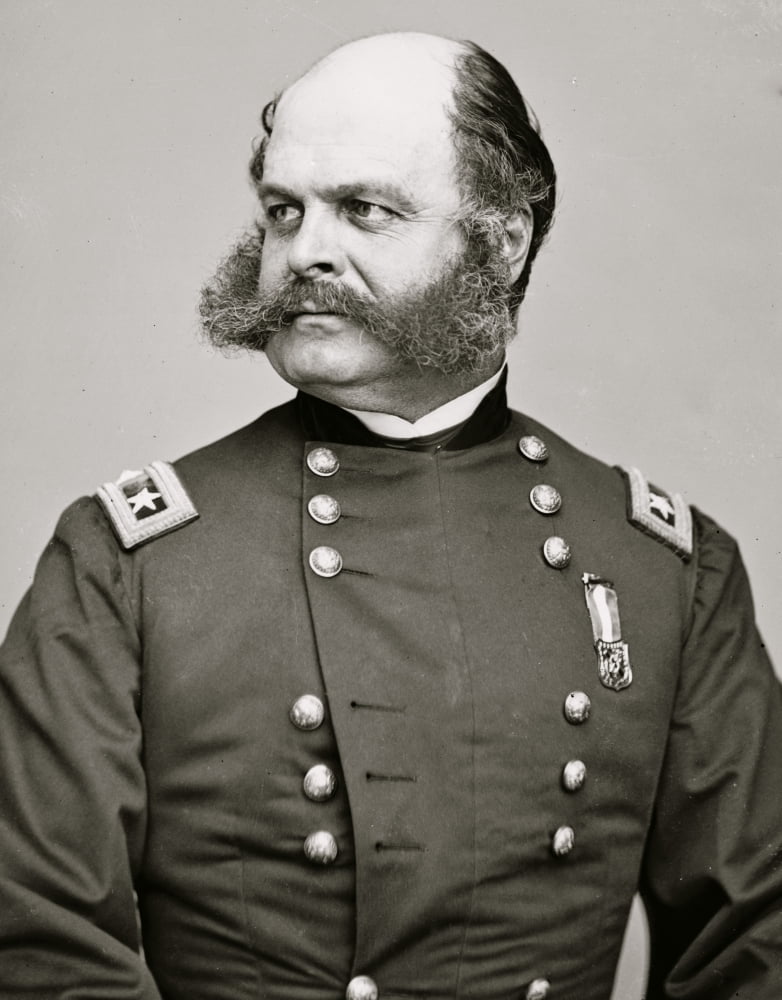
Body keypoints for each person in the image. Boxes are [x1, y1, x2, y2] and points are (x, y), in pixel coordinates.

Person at [1, 30, 780, 1000]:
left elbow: (756, 944)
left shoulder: (666, 570)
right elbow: (38, 940)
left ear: (500, 241)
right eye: (284, 210)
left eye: (363, 210)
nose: (303, 252)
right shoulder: (126, 562)